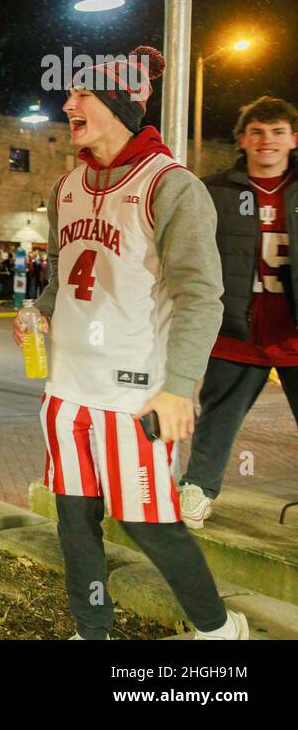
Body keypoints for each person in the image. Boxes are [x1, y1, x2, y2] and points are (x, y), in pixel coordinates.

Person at [18, 45, 247, 641]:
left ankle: (220, 630)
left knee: (150, 524)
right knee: (73, 520)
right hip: (66, 391)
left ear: (119, 105)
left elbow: (202, 296)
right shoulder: (66, 186)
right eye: (69, 92)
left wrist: (178, 389)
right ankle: (91, 633)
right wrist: (38, 313)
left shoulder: (172, 186)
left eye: (83, 93)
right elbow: (60, 279)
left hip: (135, 396)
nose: (68, 103)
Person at [180, 95, 298, 525]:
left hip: (292, 329)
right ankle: (196, 489)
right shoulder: (213, 191)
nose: (267, 141)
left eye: (278, 132)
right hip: (237, 327)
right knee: (218, 416)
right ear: (243, 140)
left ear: (293, 139)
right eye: (258, 132)